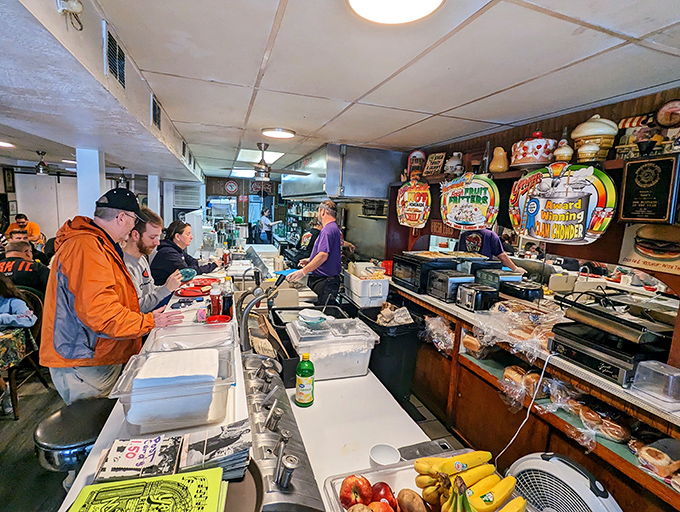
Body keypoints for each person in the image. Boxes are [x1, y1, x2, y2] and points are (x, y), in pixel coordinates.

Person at [39, 188, 183, 405]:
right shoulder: (86, 248)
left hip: (97, 355)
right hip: (84, 360)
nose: (134, 227)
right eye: (134, 220)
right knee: (97, 426)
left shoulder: (101, 246)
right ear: (121, 217)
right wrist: (149, 321)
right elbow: (101, 315)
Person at [123, 207, 182, 313]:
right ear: (135, 235)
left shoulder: (142, 259)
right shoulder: (124, 266)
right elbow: (137, 308)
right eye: (152, 237)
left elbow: (150, 290)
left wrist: (170, 286)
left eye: (158, 237)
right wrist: (166, 289)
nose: (157, 243)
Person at [288, 200, 344, 305]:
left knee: (320, 314)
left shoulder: (327, 230)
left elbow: (323, 255)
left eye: (318, 211)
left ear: (322, 211)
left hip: (325, 282)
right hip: (327, 281)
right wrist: (310, 259)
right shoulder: (333, 228)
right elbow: (329, 252)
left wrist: (303, 272)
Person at [0, 274, 37, 415]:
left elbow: (29, 318)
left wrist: (3, 318)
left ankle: (4, 390)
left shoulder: (12, 302)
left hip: (15, 345)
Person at [151, 220, 220, 286]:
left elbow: (193, 261)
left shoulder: (176, 250)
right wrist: (213, 265)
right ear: (177, 237)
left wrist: (192, 268)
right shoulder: (168, 253)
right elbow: (188, 272)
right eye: (188, 234)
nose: (191, 237)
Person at [457, 228, 524, 273]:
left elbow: (457, 254)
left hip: (464, 271)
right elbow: (502, 256)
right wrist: (515, 269)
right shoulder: (491, 235)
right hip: (483, 273)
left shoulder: (463, 234)